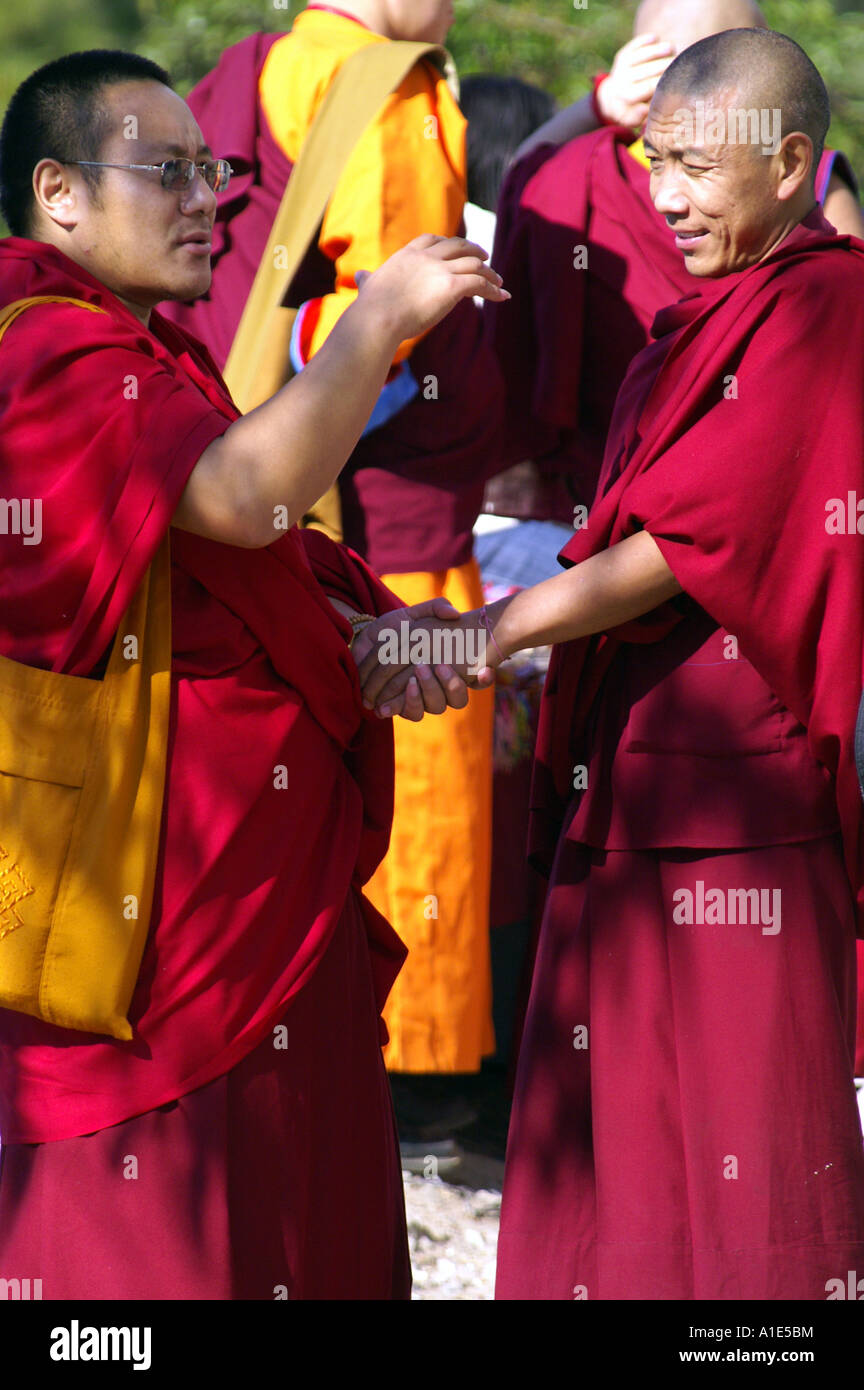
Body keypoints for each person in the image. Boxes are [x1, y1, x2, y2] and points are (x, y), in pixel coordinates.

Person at [357, 26, 864, 1299]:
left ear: (794, 161)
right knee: (620, 1153)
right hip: (626, 772)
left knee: (752, 1154)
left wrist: (485, 634)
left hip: (737, 801)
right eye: (652, 163)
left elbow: (694, 541)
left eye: (696, 165)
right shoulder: (697, 320)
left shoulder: (827, 304)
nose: (667, 197)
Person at [0, 48, 506, 1300]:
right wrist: (378, 320)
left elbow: (258, 567)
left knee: (297, 1199)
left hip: (254, 885)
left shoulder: (148, 350)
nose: (205, 200)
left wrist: (379, 639)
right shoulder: (41, 347)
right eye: (164, 172)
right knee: (162, 1246)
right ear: (58, 194)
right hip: (154, 908)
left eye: (210, 170)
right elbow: (241, 499)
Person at [162, 1, 505, 1148]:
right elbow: (406, 304)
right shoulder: (386, 81)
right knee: (423, 763)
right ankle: (428, 1063)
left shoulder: (244, 71)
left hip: (230, 461)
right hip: (372, 493)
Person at [485, 0, 864, 522]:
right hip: (608, 513)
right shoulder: (582, 174)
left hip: (726, 518)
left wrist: (592, 106)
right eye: (657, 163)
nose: (668, 200)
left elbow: (842, 299)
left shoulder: (801, 190)